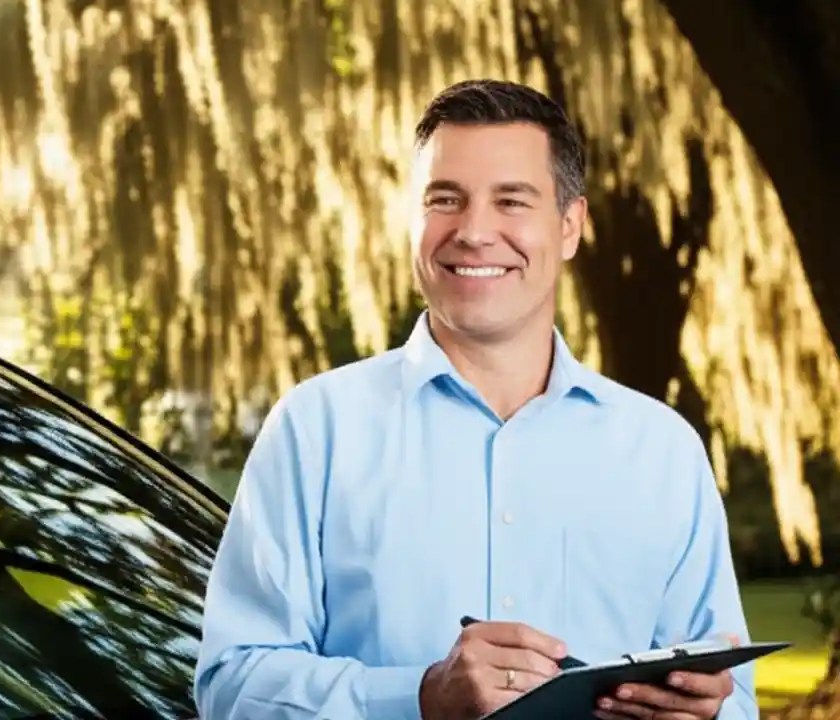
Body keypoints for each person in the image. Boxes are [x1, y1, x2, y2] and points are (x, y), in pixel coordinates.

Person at [192, 79, 757, 720]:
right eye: (445, 199)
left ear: (570, 226)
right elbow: (232, 687)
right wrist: (419, 697)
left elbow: (734, 701)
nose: (474, 231)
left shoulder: (664, 452)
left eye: (512, 201)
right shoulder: (315, 430)